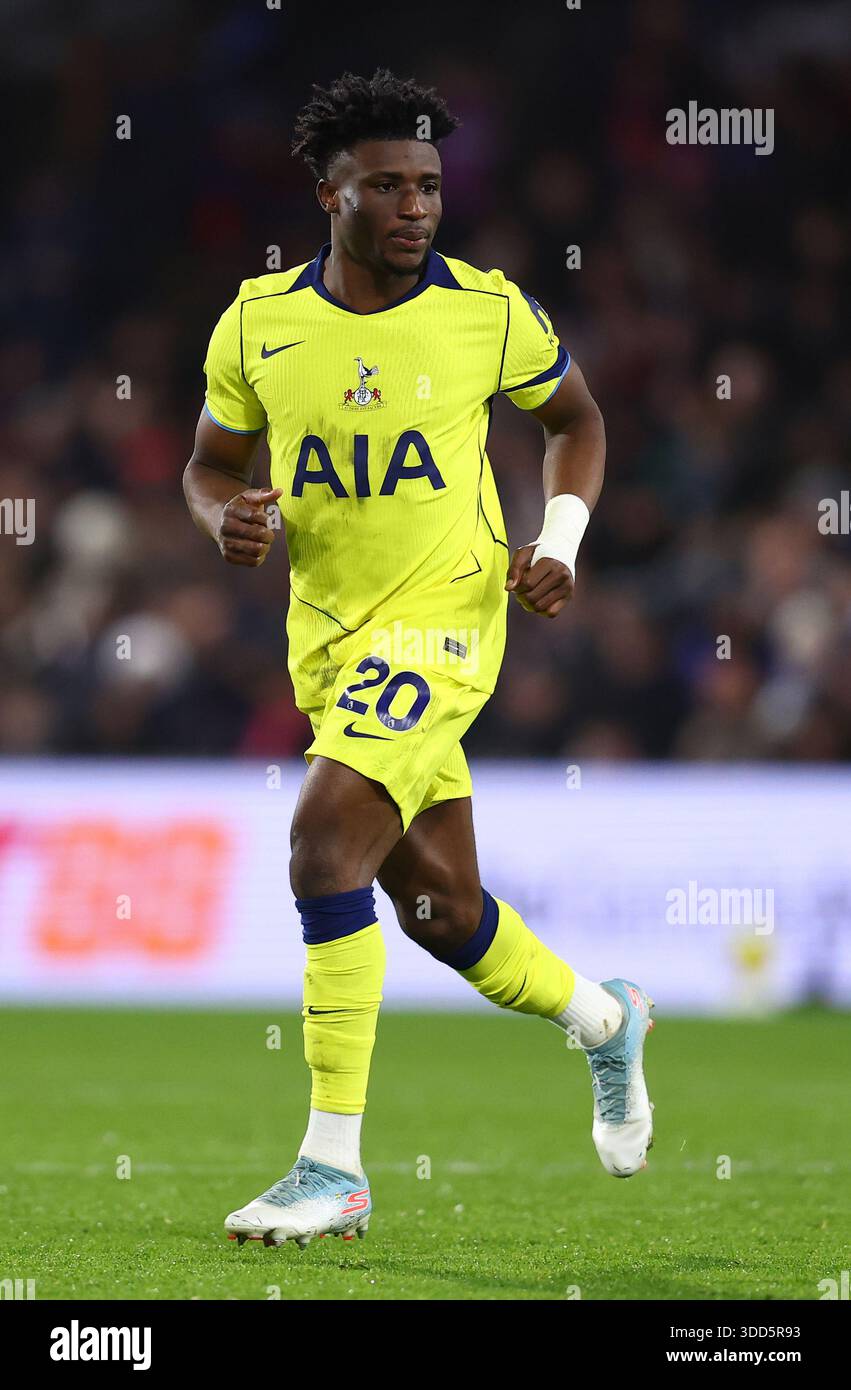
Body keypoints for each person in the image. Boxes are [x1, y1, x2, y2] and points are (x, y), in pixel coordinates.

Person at [182, 68, 654, 1249]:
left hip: (447, 621)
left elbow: (576, 421)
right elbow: (206, 462)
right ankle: (605, 1021)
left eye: (429, 186)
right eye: (386, 186)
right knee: (442, 911)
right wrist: (224, 517)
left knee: (319, 840)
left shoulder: (488, 312)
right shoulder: (255, 323)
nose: (414, 207)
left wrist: (560, 538)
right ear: (328, 194)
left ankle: (330, 1167)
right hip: (330, 645)